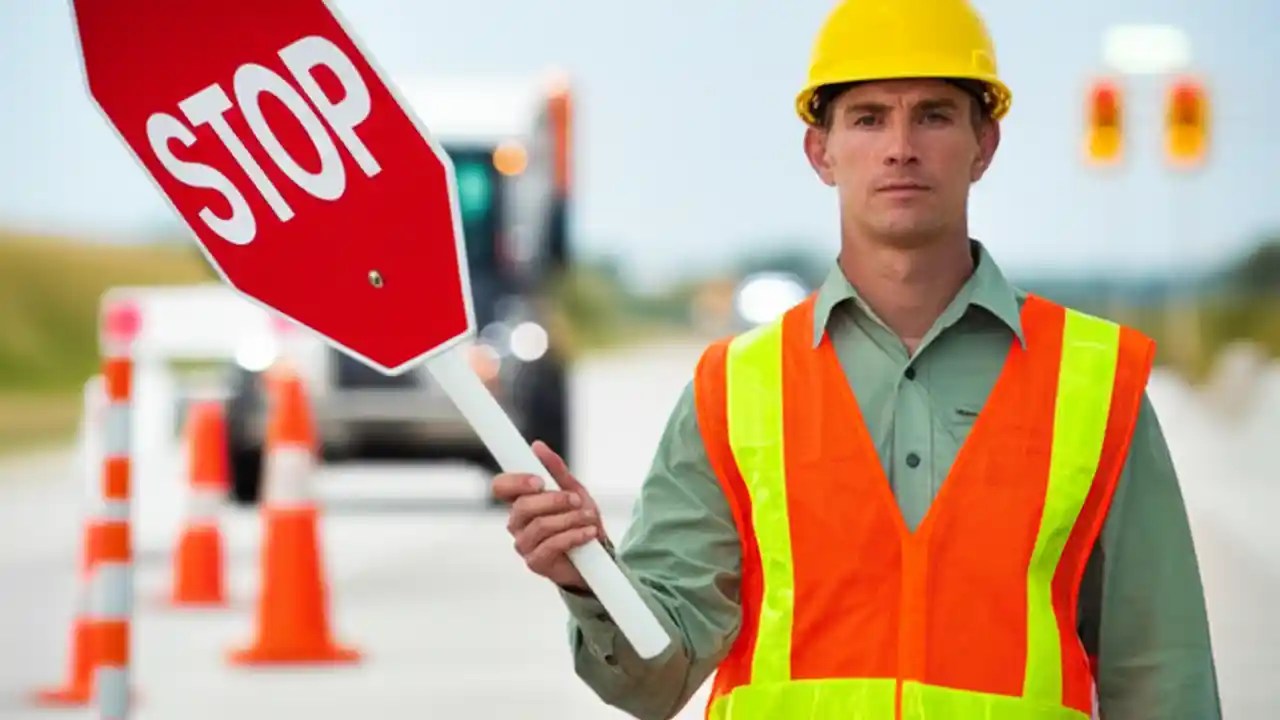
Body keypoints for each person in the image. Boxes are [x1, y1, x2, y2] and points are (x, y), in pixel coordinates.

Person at [493, 1, 1222, 718]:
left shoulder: (1094, 384)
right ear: (821, 151)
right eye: (869, 117)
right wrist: (590, 576)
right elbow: (654, 679)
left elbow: (1162, 676)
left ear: (985, 144)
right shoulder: (736, 390)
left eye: (933, 114)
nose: (900, 146)